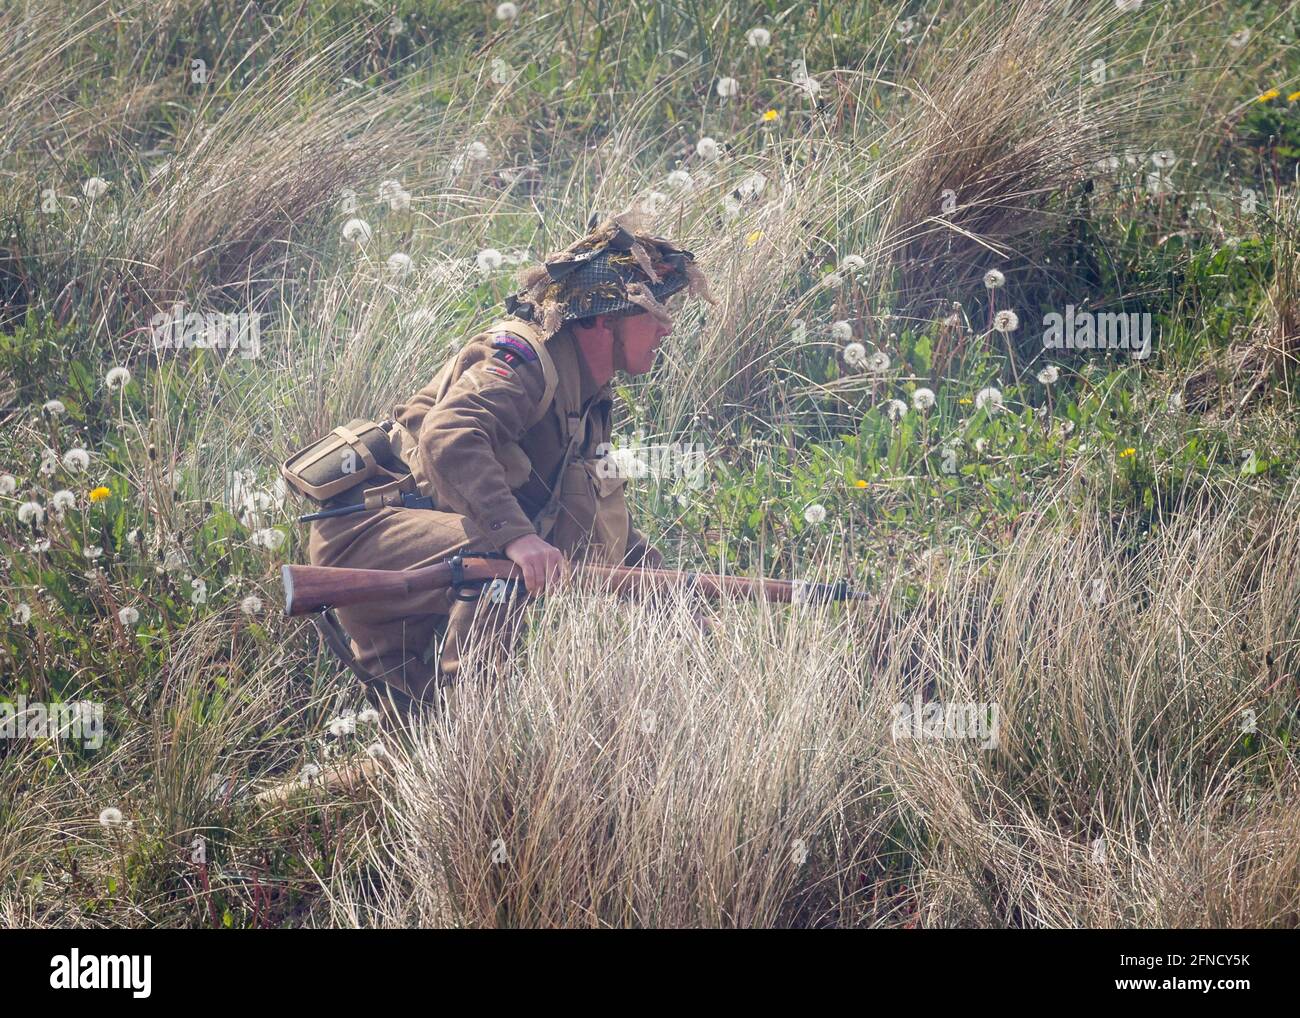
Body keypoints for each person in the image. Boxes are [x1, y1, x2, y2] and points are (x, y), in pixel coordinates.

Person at [304, 206, 716, 718]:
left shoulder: (592, 397)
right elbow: (448, 436)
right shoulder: (522, 360)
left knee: (410, 733)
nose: (666, 328)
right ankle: (476, 722)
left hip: (432, 547)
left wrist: (670, 592)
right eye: (652, 313)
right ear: (604, 321)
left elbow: (607, 517)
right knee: (502, 555)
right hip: (371, 536)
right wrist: (518, 539)